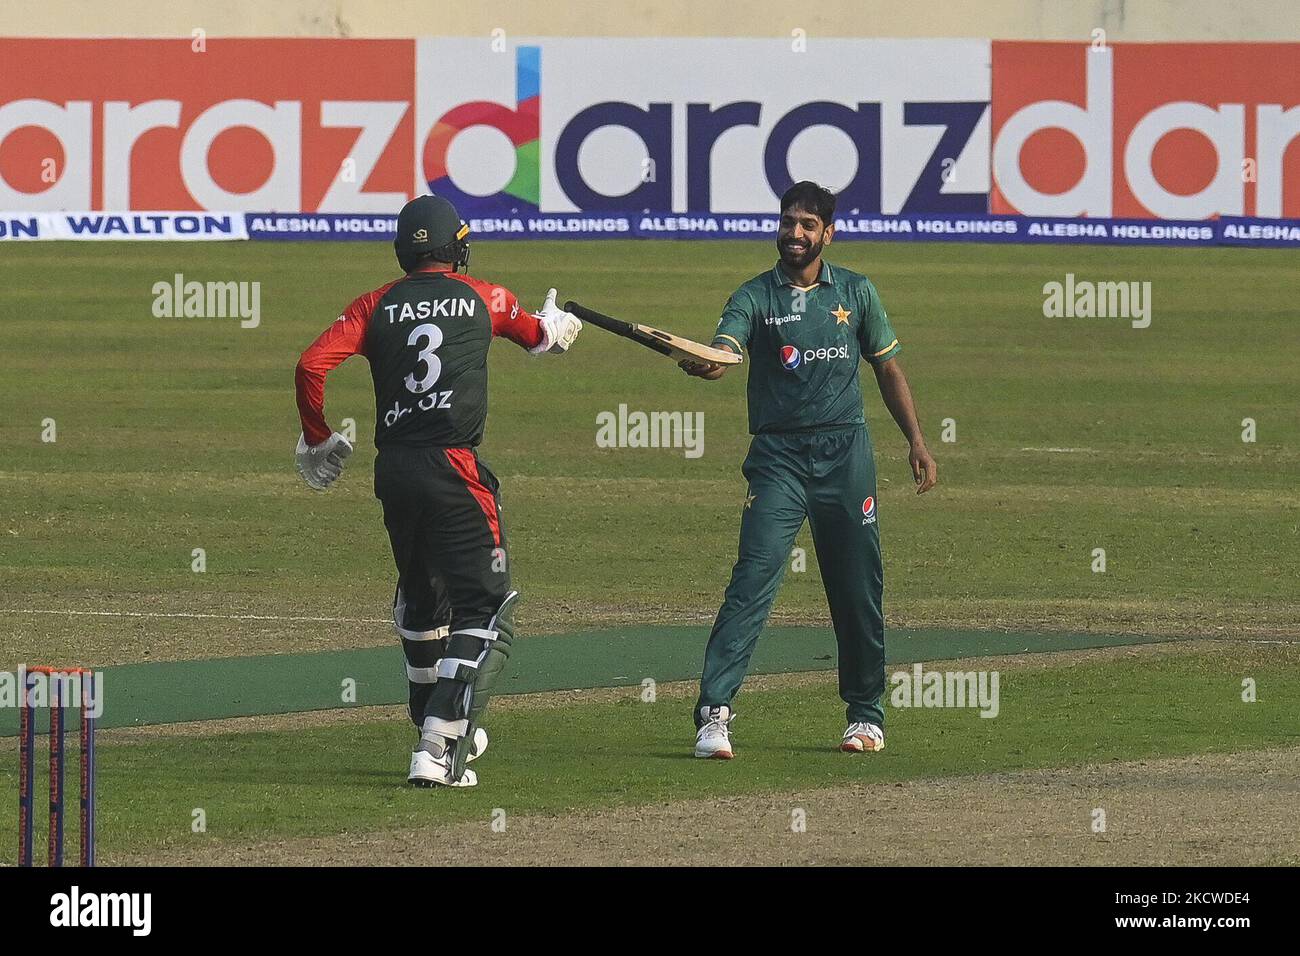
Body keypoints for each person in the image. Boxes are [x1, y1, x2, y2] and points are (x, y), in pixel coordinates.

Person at [293, 194, 581, 787]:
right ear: (458, 246)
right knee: (489, 608)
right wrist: (555, 330)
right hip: (456, 469)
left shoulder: (372, 305)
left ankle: (429, 715)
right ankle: (437, 743)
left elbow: (311, 364)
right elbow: (536, 337)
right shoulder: (486, 296)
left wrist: (318, 437)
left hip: (394, 471)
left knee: (424, 603)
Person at [680, 181, 937, 759]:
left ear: (828, 232)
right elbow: (726, 352)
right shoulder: (754, 296)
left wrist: (916, 440)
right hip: (778, 460)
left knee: (857, 588)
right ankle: (714, 715)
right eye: (787, 221)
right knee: (753, 579)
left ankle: (865, 715)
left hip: (847, 455)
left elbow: (888, 370)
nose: (795, 233)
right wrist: (709, 363)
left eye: (807, 224)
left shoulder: (856, 291)